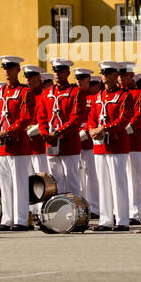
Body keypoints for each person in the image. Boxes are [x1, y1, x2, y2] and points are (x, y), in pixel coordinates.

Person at [0, 56, 36, 230]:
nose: (7, 71)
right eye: (4, 68)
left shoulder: (25, 92)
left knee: (20, 183)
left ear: (18, 70)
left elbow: (25, 118)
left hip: (18, 145)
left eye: (11, 68)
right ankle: (7, 218)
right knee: (5, 184)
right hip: (2, 146)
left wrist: (6, 132)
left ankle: (21, 219)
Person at [86, 61, 131, 231]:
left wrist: (104, 129)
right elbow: (91, 117)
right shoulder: (98, 96)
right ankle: (105, 219)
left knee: (118, 182)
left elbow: (123, 120)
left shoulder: (124, 95)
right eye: (103, 73)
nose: (104, 76)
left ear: (115, 75)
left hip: (116, 144)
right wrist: (92, 130)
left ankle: (122, 220)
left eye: (108, 73)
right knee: (103, 183)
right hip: (99, 146)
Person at [39, 59, 84, 197]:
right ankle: (58, 210)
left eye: (61, 71)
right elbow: (41, 117)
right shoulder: (46, 93)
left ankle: (76, 209)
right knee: (54, 180)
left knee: (72, 180)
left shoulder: (76, 92)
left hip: (68, 142)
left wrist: (58, 133)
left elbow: (76, 118)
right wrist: (45, 134)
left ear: (68, 72)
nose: (58, 74)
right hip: (51, 143)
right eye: (55, 71)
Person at [120, 62, 141, 224]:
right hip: (118, 143)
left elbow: (139, 118)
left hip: (133, 142)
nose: (120, 78)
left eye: (124, 75)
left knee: (134, 179)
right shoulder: (118, 94)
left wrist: (121, 131)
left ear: (131, 76)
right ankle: (122, 210)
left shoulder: (139, 94)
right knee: (121, 178)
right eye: (119, 75)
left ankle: (135, 213)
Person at [74, 68, 99, 216]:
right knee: (78, 176)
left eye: (82, 78)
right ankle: (81, 204)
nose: (78, 81)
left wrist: (83, 134)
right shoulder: (74, 95)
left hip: (88, 141)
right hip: (75, 141)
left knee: (92, 177)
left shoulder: (93, 98)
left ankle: (95, 207)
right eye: (77, 78)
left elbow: (93, 120)